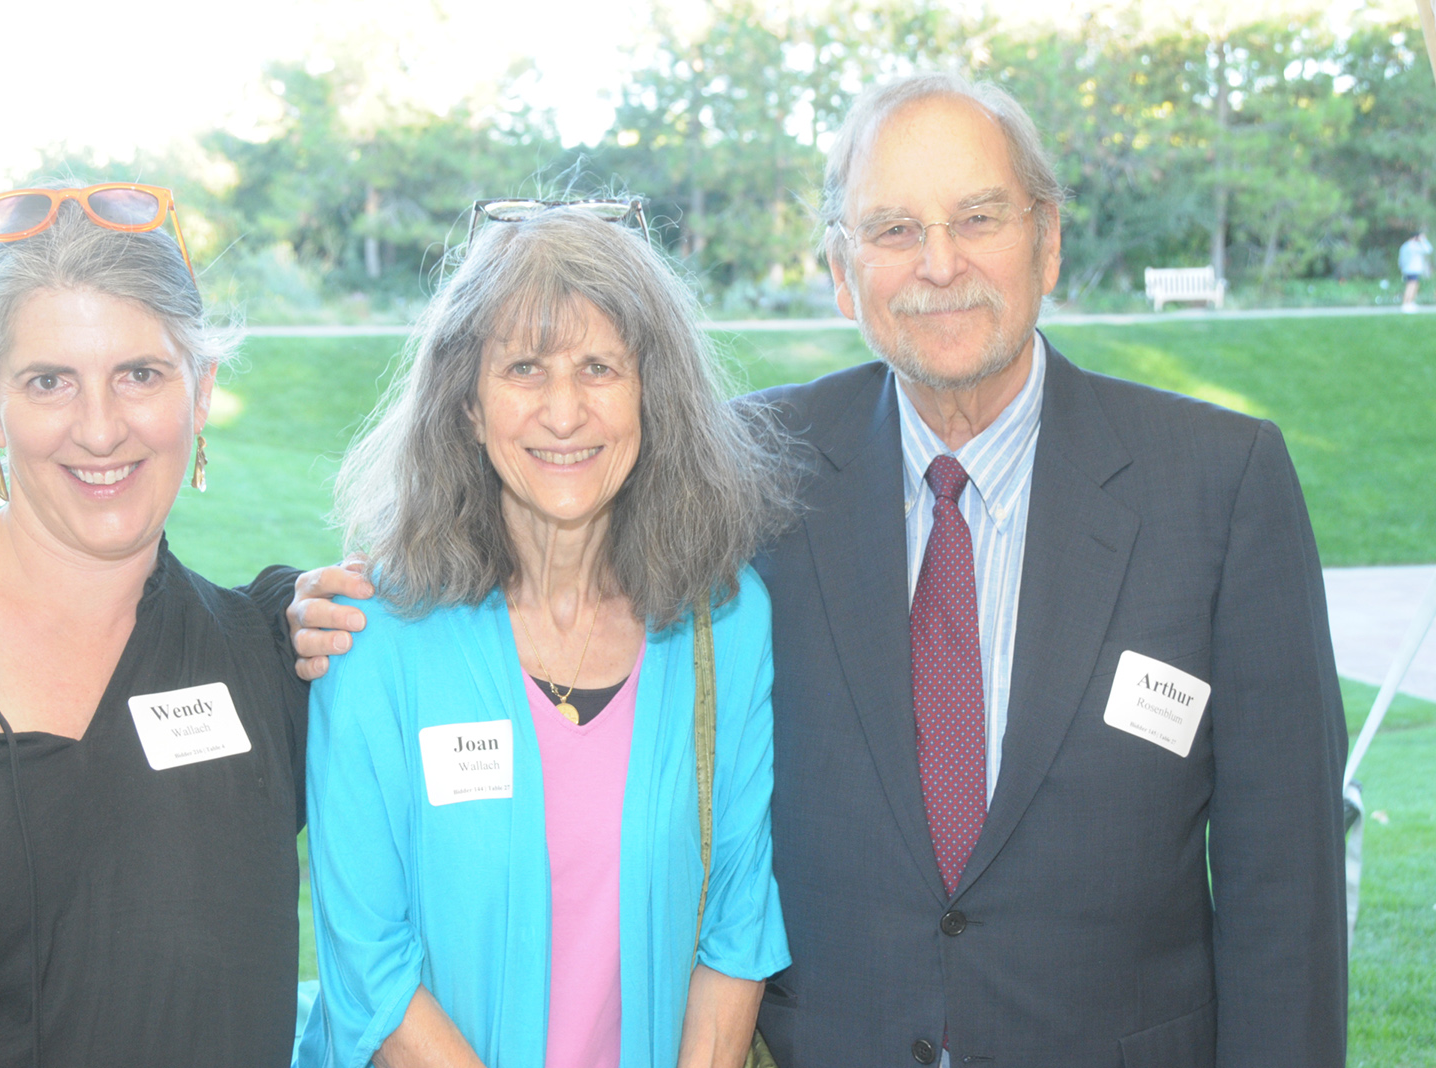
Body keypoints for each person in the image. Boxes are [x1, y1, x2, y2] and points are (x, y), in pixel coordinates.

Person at [290, 75, 1350, 1068]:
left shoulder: (1219, 486)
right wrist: (308, 607)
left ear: (1048, 238)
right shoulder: (753, 474)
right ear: (843, 271)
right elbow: (546, 532)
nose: (939, 263)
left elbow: (1285, 884)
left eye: (977, 218)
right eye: (894, 229)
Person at [294, 204, 795, 1068]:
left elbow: (736, 927)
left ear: (652, 398)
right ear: (468, 408)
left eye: (600, 366)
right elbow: (369, 966)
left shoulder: (726, 622)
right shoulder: (371, 641)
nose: (564, 412)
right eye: (525, 368)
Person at [0, 185, 309, 1067]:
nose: (99, 429)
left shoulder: (278, 661)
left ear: (201, 394)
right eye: (48, 381)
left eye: (140, 374)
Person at [1400, 229, 1431, 310]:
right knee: (1411, 286)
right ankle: (1406, 303)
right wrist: (1424, 240)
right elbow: (1428, 250)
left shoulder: (1405, 245)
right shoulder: (1412, 246)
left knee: (1414, 285)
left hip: (1408, 269)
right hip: (1412, 269)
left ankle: (1409, 302)